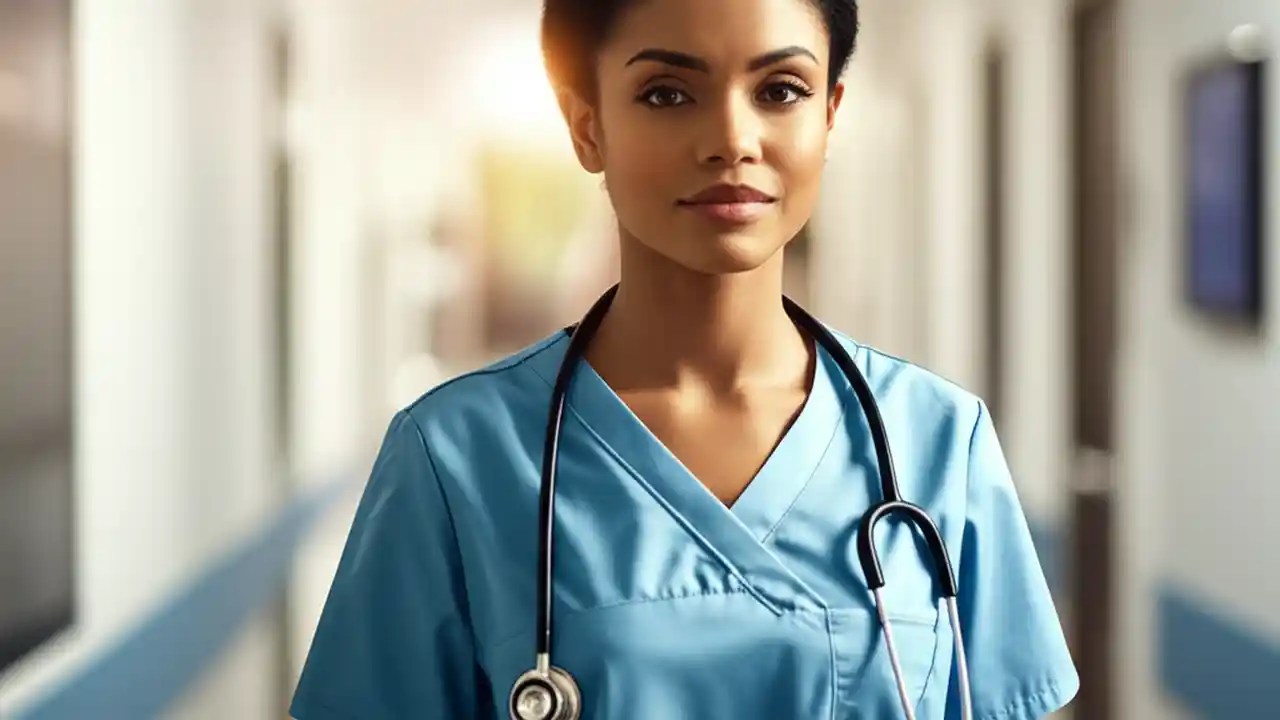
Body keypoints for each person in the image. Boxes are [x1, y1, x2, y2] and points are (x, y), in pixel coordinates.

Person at [289, 0, 1080, 717]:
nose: (733, 140)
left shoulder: (938, 441)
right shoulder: (457, 456)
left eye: (781, 91)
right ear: (587, 127)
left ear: (830, 117)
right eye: (668, 93)